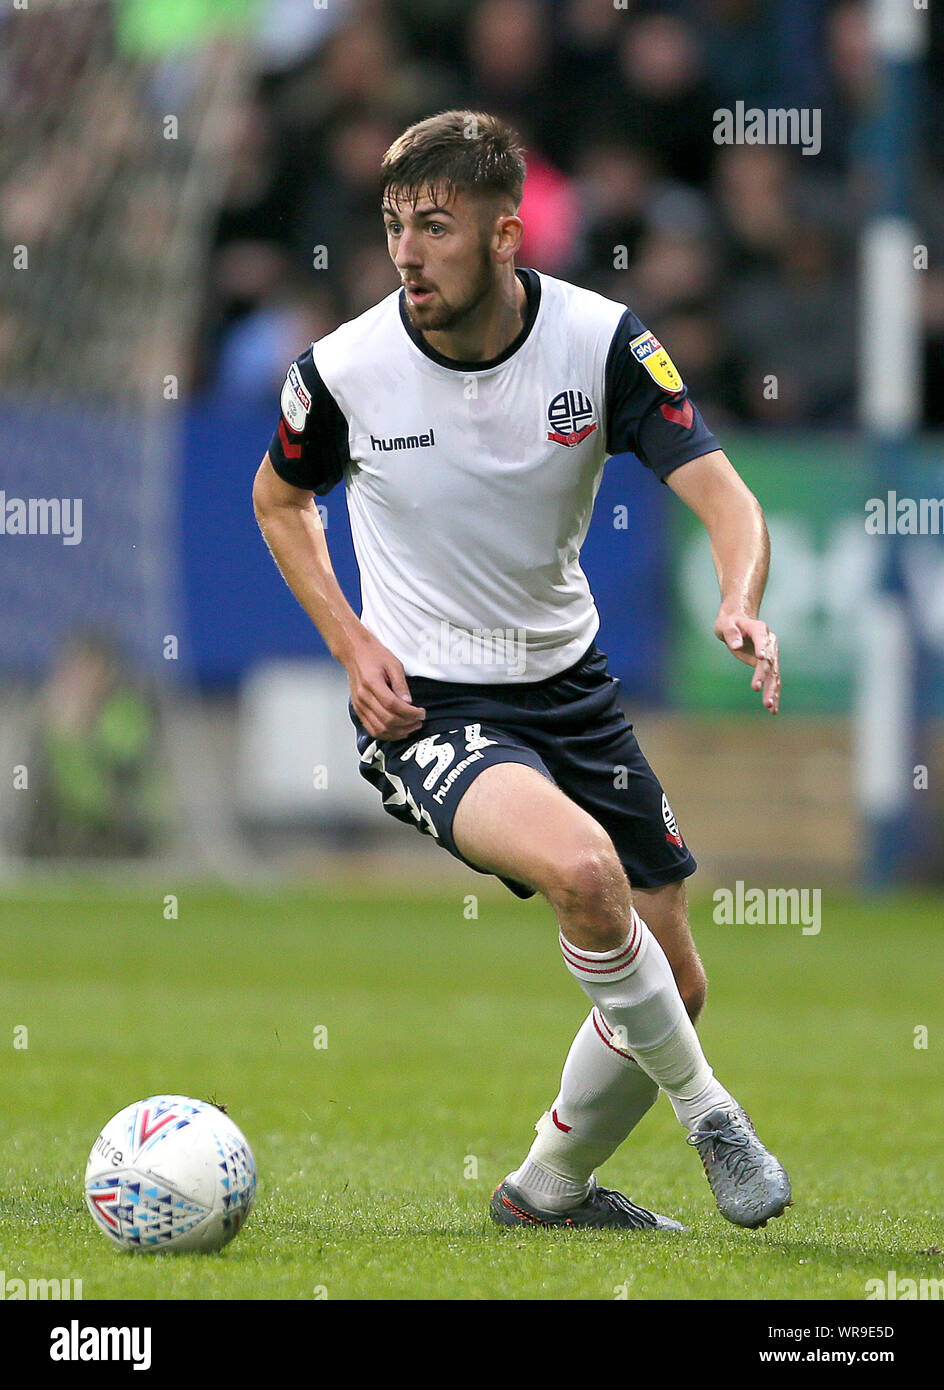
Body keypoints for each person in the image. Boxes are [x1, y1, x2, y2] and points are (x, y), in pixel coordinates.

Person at [252, 110, 790, 1231]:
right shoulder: (343, 370)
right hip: (427, 706)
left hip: (570, 688)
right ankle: (711, 1115)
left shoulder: (599, 344)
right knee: (586, 875)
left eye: (435, 226)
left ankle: (545, 1190)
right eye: (395, 223)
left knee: (673, 989)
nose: (406, 250)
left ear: (505, 237)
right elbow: (279, 499)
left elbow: (724, 494)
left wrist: (737, 599)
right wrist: (352, 643)